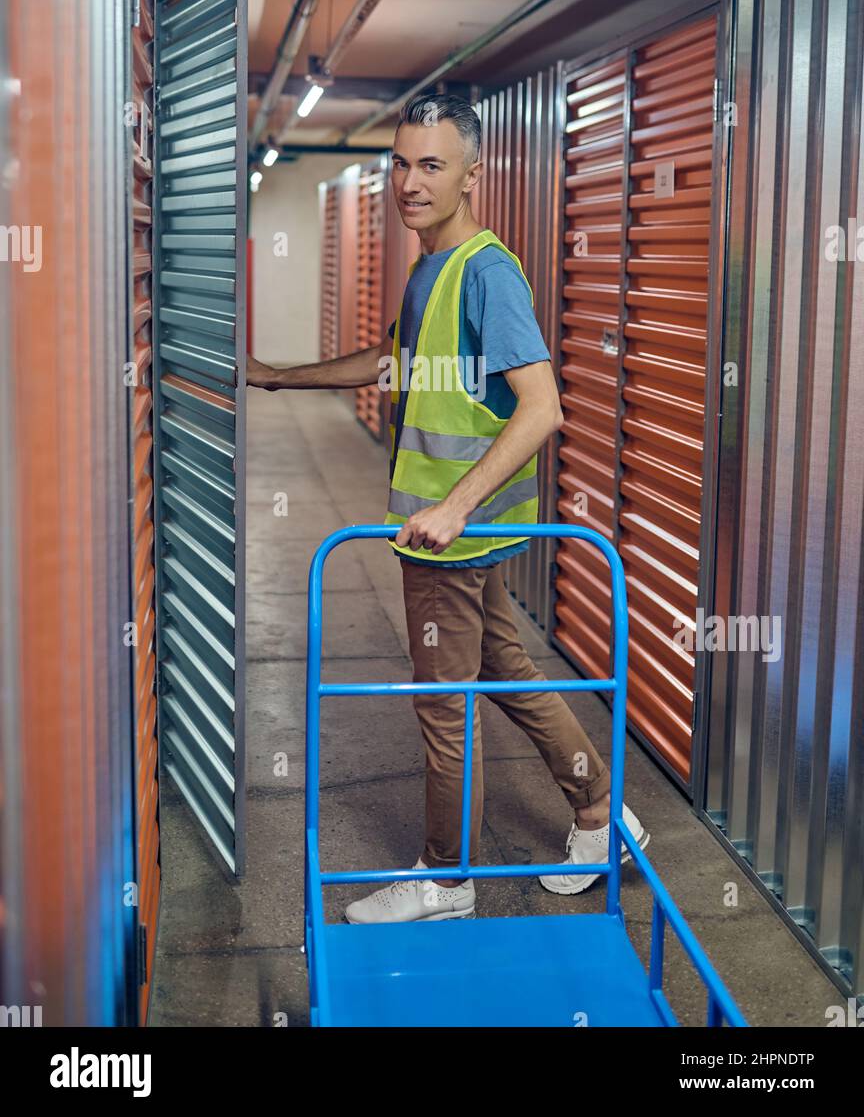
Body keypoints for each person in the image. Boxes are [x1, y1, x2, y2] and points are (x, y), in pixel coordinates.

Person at [247, 91, 649, 923]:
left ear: (473, 171)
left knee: (444, 709)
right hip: (450, 533)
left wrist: (456, 508)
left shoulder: (485, 271)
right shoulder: (430, 266)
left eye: (430, 165)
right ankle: (599, 817)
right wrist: (281, 374)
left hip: (450, 537)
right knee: (504, 670)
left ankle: (446, 878)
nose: (408, 182)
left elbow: (543, 408)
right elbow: (389, 362)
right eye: (400, 163)